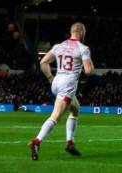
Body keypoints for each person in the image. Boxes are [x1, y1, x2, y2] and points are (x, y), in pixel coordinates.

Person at [30, 22, 93, 160]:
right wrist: (88, 65)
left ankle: (70, 143)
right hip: (68, 85)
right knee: (56, 115)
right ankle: (36, 142)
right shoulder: (83, 48)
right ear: (81, 32)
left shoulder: (58, 46)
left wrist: (50, 77)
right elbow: (88, 71)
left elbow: (43, 63)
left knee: (75, 109)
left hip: (57, 82)